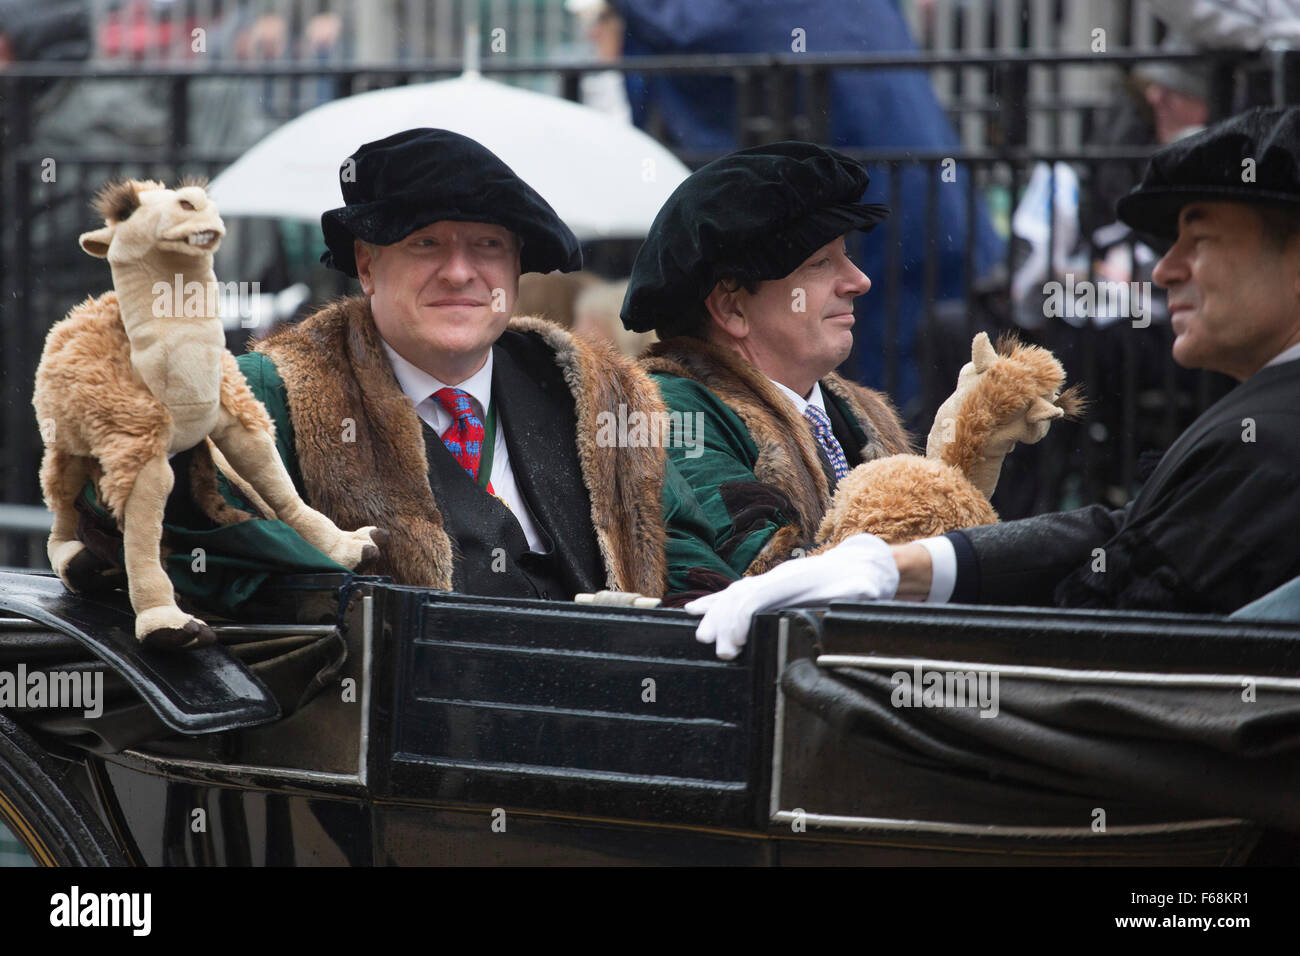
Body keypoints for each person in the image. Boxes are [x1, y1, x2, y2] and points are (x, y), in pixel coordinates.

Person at [690, 107, 1300, 657]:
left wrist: (911, 532)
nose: (1165, 270)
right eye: (820, 263)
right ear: (734, 309)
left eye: (1201, 239)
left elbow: (1116, 595)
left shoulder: (1272, 438)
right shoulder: (680, 415)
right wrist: (899, 552)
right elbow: (1121, 540)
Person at [76, 128, 670, 608]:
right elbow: (142, 522)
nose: (461, 272)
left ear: (516, 270)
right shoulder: (269, 393)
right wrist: (356, 600)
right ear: (366, 265)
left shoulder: (596, 394)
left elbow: (691, 547)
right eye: (425, 244)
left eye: (488, 245)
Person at [620, 141, 913, 601]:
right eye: (820, 263)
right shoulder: (670, 415)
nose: (859, 281)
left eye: (846, 255)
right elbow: (777, 585)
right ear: (732, 308)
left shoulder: (852, 410)